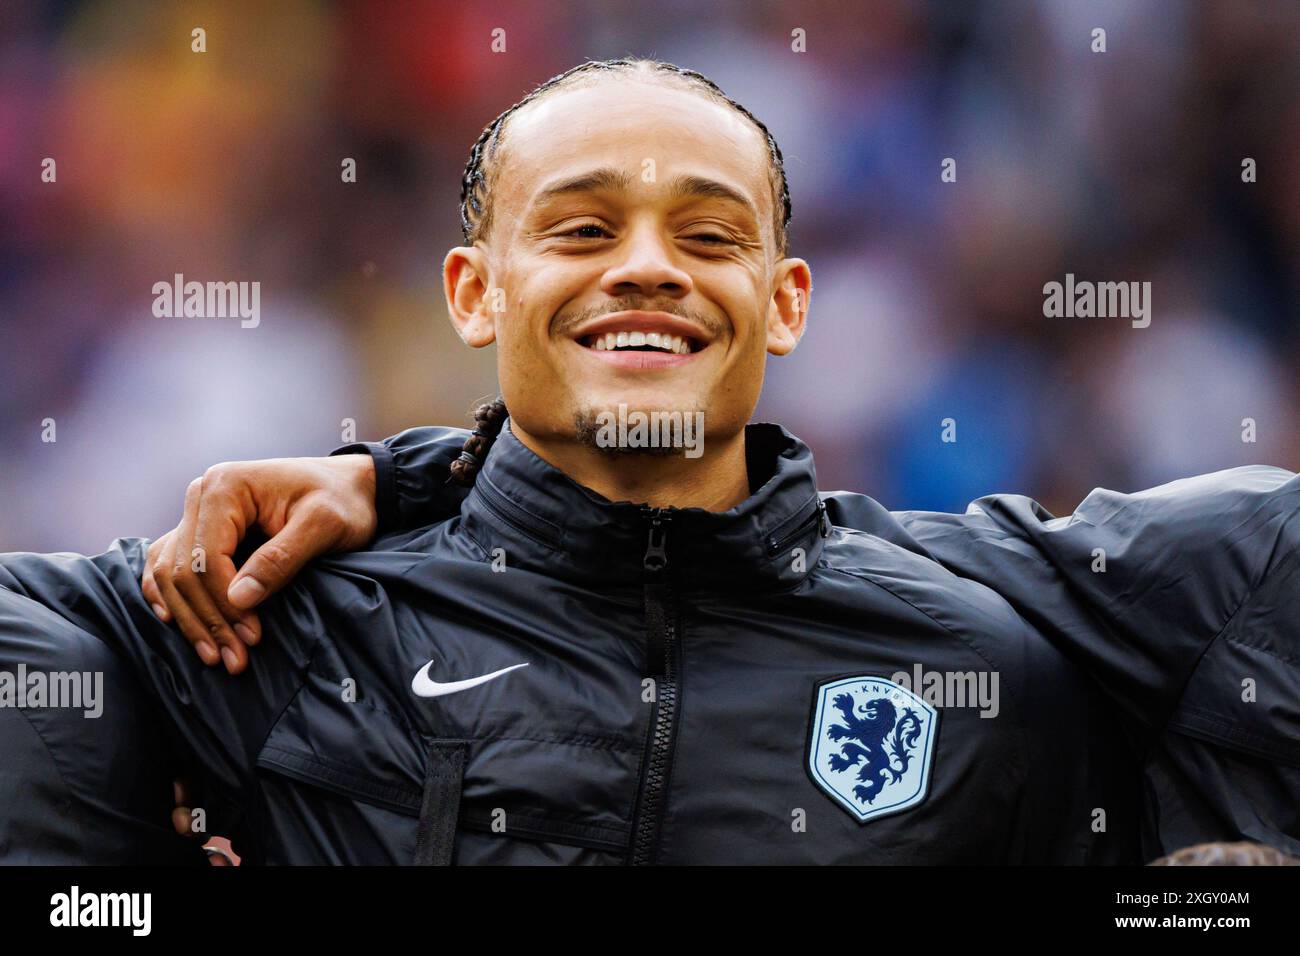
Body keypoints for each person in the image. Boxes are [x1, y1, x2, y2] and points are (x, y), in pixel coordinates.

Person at [1, 58, 1296, 864]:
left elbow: (1266, 565)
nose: (645, 264)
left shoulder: (985, 648)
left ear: (786, 301)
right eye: (579, 226)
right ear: (473, 291)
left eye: (708, 232)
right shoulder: (273, 622)